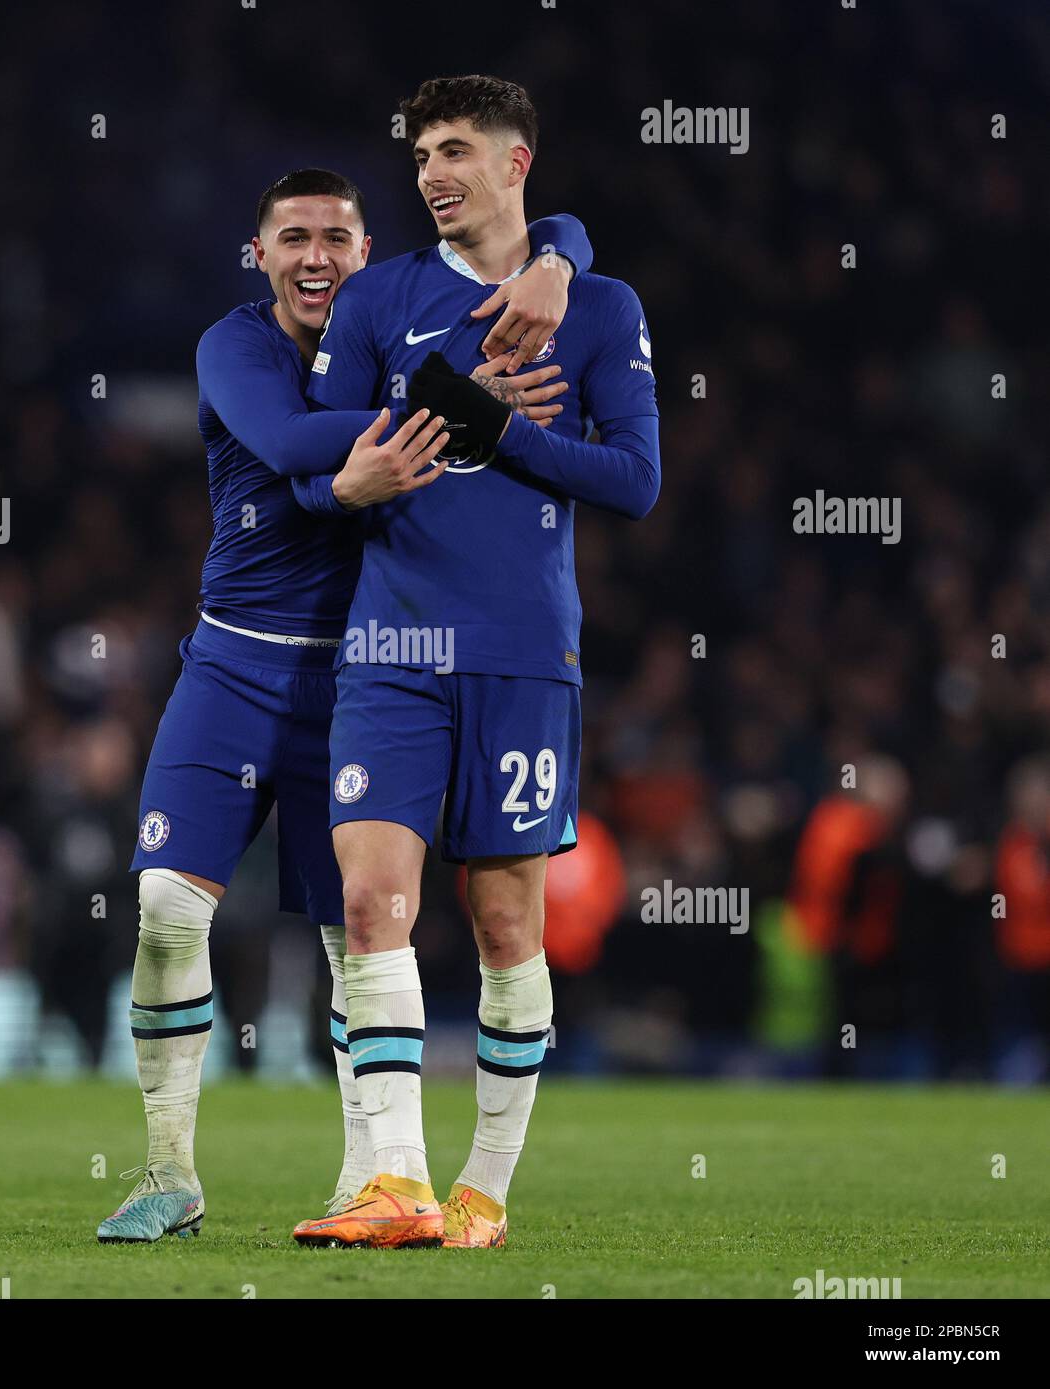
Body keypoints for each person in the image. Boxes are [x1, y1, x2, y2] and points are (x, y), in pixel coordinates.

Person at [97, 164, 592, 1242]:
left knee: (354, 938)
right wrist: (460, 408)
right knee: (169, 912)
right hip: (232, 665)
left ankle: (371, 1180)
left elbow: (549, 227)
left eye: (336, 236)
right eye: (292, 238)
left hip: (370, 675)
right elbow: (283, 442)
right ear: (260, 254)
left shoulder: (403, 327)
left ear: (366, 254)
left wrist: (558, 256)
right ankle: (166, 1170)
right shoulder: (234, 345)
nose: (315, 255)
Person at [291, 75, 660, 1249]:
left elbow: (636, 481)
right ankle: (394, 1179)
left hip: (521, 650)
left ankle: (483, 1191)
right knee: (367, 904)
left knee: (506, 927)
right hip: (391, 644)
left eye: (455, 149)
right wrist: (342, 482)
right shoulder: (374, 302)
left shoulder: (594, 305)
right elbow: (312, 464)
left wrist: (502, 431)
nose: (430, 174)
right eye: (417, 155)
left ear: (515, 163)